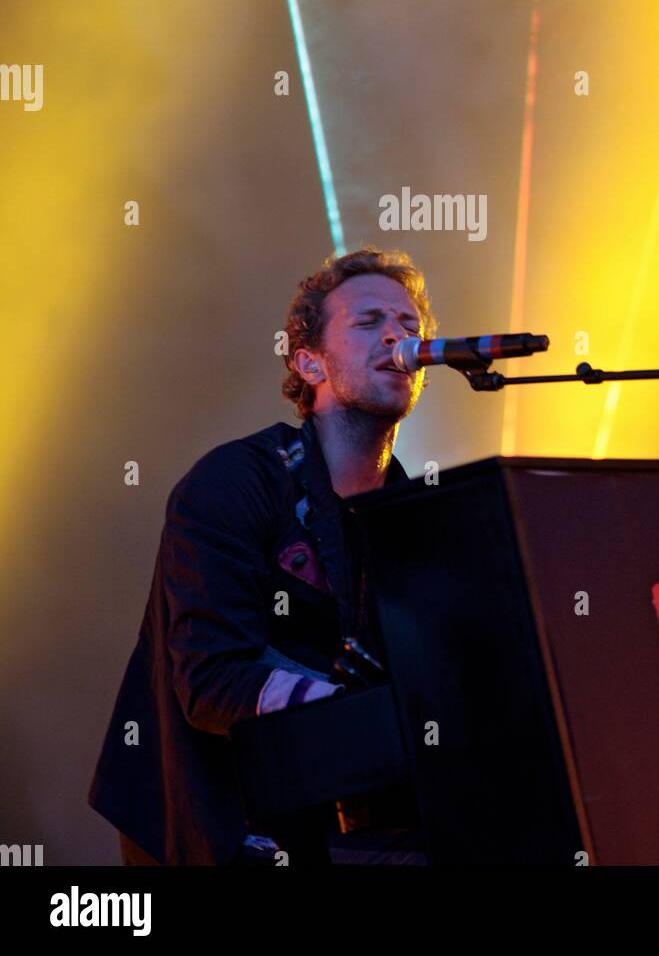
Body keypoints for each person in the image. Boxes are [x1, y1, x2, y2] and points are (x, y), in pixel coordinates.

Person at [87, 246, 436, 865]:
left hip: (342, 824)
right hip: (212, 822)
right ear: (308, 361)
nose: (396, 336)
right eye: (368, 322)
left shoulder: (418, 519)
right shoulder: (234, 482)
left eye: (410, 327)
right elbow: (210, 680)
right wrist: (363, 712)